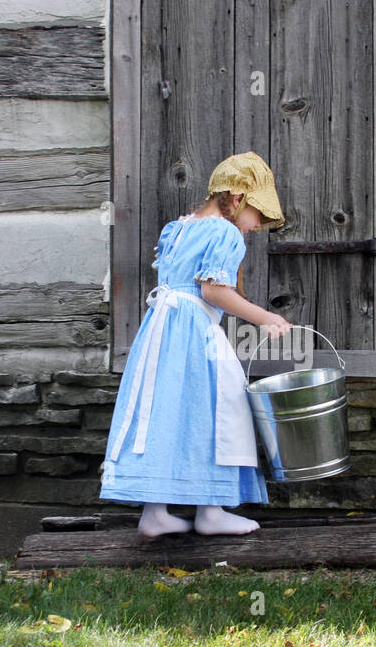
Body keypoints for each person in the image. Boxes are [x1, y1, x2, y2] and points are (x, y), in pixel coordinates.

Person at [100, 152, 294, 538]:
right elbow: (213, 290)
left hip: (160, 330)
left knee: (166, 409)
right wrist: (265, 317)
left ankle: (155, 513)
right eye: (257, 214)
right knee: (217, 407)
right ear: (237, 199)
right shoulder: (225, 232)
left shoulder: (178, 228)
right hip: (193, 331)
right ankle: (211, 510)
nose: (256, 226)